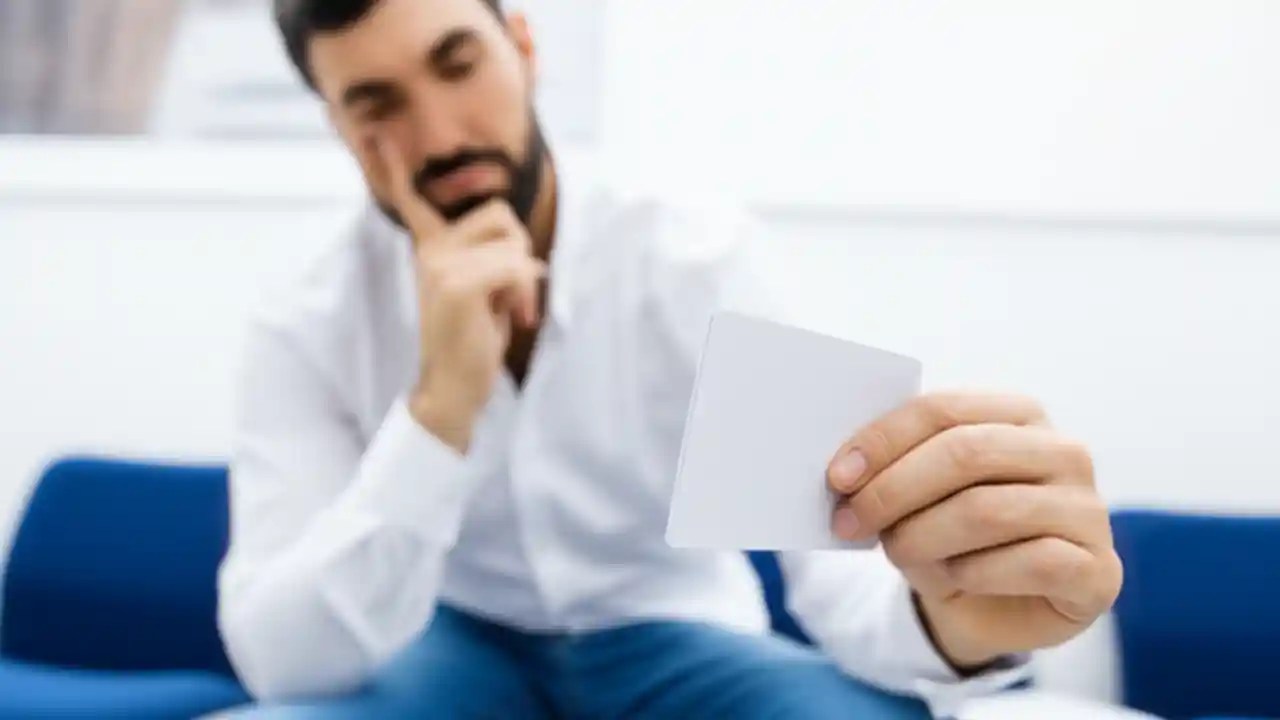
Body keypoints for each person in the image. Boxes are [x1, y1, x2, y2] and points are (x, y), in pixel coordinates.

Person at [217, 0, 1123, 717]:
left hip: (677, 641)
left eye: (459, 64)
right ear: (338, 128)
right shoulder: (304, 320)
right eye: (376, 105)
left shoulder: (696, 261)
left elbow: (840, 577)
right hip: (445, 649)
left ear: (523, 50)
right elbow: (279, 657)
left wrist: (952, 623)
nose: (443, 136)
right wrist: (441, 407)